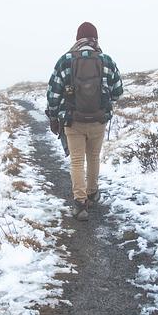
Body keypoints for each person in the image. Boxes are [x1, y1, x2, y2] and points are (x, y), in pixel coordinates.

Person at [45, 21, 124, 221]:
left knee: (77, 161)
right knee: (94, 157)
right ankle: (92, 193)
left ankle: (80, 204)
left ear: (77, 38)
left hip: (73, 120)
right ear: (95, 38)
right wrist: (104, 105)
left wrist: (54, 116)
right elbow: (118, 91)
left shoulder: (65, 60)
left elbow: (53, 92)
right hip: (99, 120)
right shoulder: (106, 60)